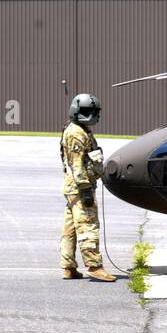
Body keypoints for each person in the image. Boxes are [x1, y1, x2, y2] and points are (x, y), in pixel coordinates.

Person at [60, 93, 117, 282]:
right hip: (79, 186)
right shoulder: (76, 132)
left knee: (71, 228)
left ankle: (68, 267)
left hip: (73, 187)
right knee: (88, 224)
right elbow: (77, 165)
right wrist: (85, 189)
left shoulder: (80, 129)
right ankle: (94, 266)